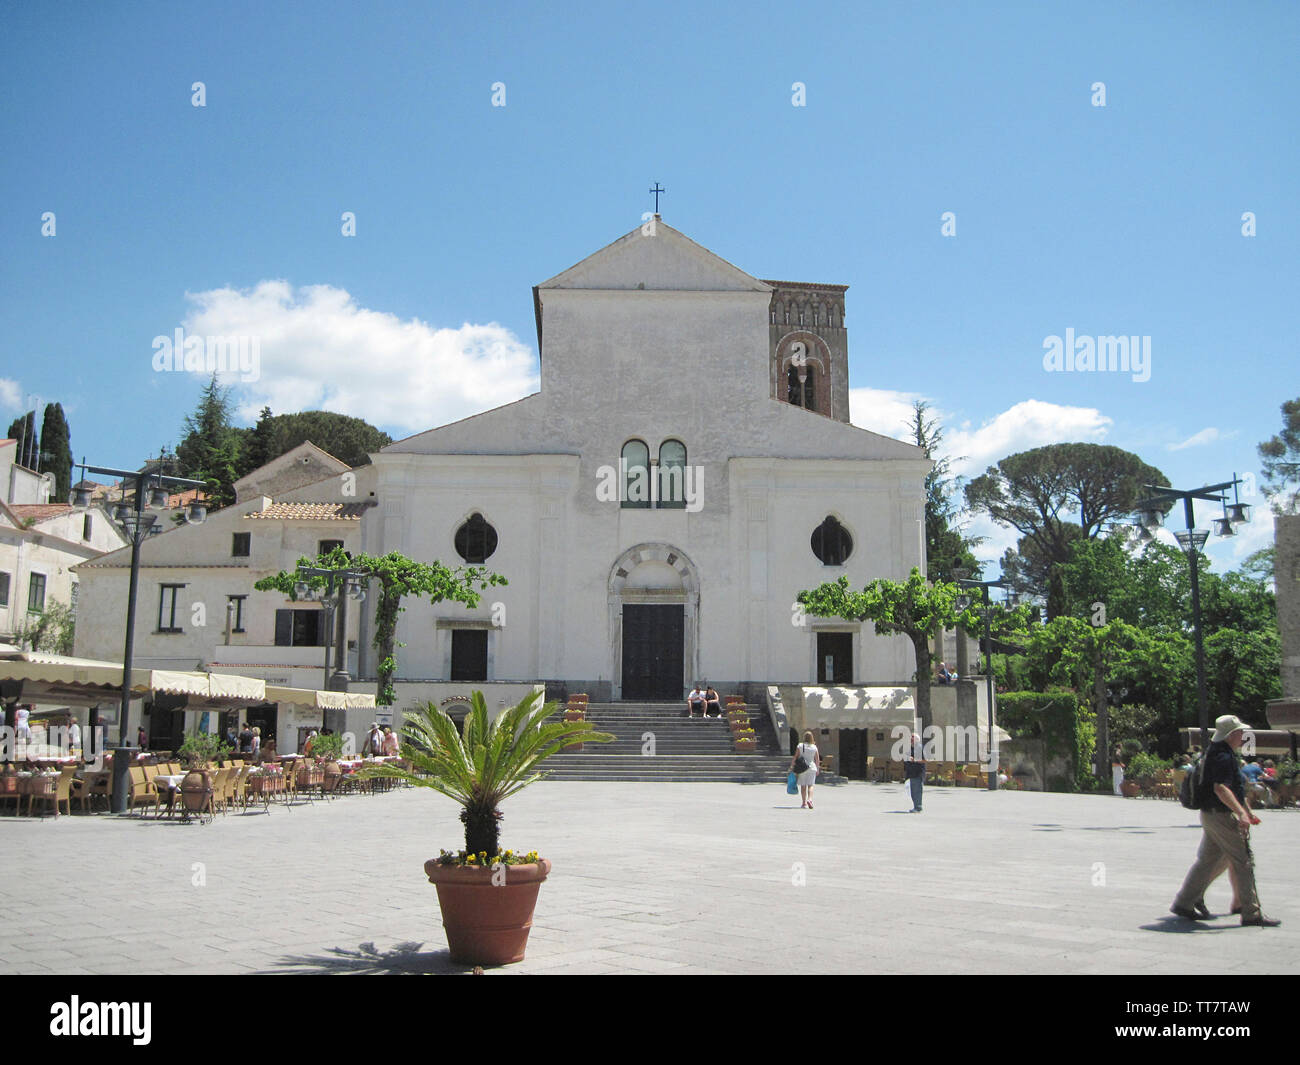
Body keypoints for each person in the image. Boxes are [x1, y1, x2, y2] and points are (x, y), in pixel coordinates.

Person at [1170, 715, 1280, 927]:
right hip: (1221, 815)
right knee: (1243, 861)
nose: (1243, 736)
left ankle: (1184, 902)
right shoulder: (1222, 756)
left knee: (1208, 861)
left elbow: (1235, 788)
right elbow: (1220, 788)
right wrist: (1240, 813)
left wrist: (1245, 810)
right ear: (1231, 735)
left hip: (1211, 815)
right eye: (1240, 732)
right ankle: (1251, 913)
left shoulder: (1217, 752)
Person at [789, 730, 820, 809]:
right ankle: (810, 799)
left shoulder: (800, 745)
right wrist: (817, 769)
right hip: (812, 767)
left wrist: (792, 766)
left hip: (802, 768)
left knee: (803, 786)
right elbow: (817, 759)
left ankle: (804, 803)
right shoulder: (814, 747)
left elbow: (795, 757)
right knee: (811, 785)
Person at [903, 731, 926, 812]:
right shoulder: (910, 748)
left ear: (917, 739)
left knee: (917, 791)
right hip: (911, 773)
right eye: (910, 737)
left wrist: (914, 760)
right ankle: (915, 806)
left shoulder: (920, 748)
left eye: (912, 737)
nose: (910, 739)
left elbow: (925, 760)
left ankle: (918, 807)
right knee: (913, 791)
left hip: (918, 773)